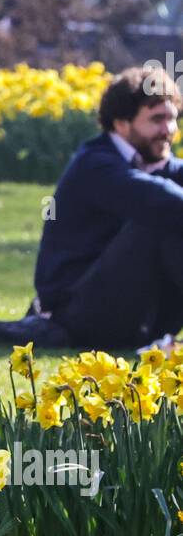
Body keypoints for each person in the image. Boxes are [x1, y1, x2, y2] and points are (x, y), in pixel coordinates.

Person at [32, 65, 183, 349]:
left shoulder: (158, 162)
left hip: (132, 310)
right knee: (158, 219)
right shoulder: (95, 164)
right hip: (76, 314)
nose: (168, 131)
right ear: (121, 123)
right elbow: (159, 198)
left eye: (173, 119)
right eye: (157, 120)